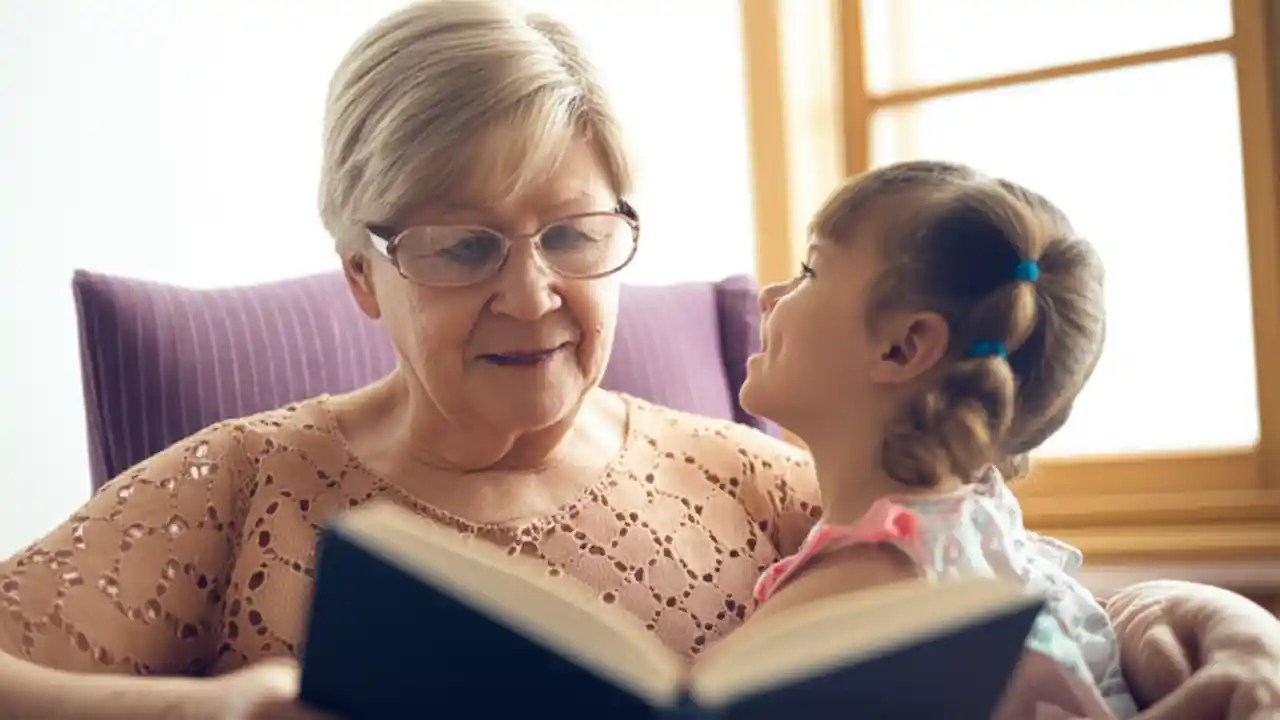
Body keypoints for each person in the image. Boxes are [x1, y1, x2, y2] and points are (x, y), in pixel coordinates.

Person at [0, 2, 1275, 718]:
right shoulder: (242, 483)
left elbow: (978, 587)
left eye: (572, 232)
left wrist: (1210, 620)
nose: (531, 291)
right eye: (460, 247)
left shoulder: (749, 476)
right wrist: (201, 712)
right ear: (359, 273)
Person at [740, 162, 1280, 719]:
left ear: (903, 348)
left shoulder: (868, 582)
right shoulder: (986, 536)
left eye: (811, 269)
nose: (771, 294)